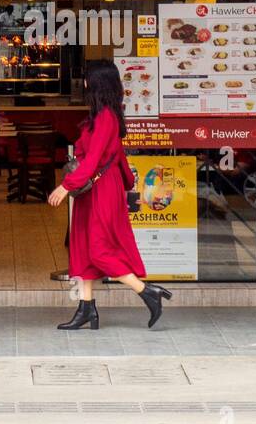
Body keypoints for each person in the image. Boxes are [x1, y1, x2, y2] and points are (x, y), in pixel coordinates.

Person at [47, 58, 172, 330]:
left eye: (87, 77)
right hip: (95, 189)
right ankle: (86, 310)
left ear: (96, 83)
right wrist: (127, 184)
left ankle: (147, 292)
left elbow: (92, 161)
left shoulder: (105, 118)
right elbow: (118, 158)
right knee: (82, 248)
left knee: (100, 249)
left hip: (100, 189)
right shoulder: (104, 115)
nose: (84, 81)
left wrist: (64, 186)